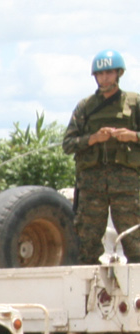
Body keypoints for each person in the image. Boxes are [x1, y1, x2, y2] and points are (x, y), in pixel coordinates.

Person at [64, 49, 140, 264]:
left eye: (109, 73)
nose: (104, 78)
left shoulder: (134, 103)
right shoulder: (85, 106)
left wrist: (133, 136)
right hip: (92, 185)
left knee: (134, 242)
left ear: (118, 74)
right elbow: (68, 144)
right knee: (87, 244)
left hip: (125, 184)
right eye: (100, 74)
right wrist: (93, 139)